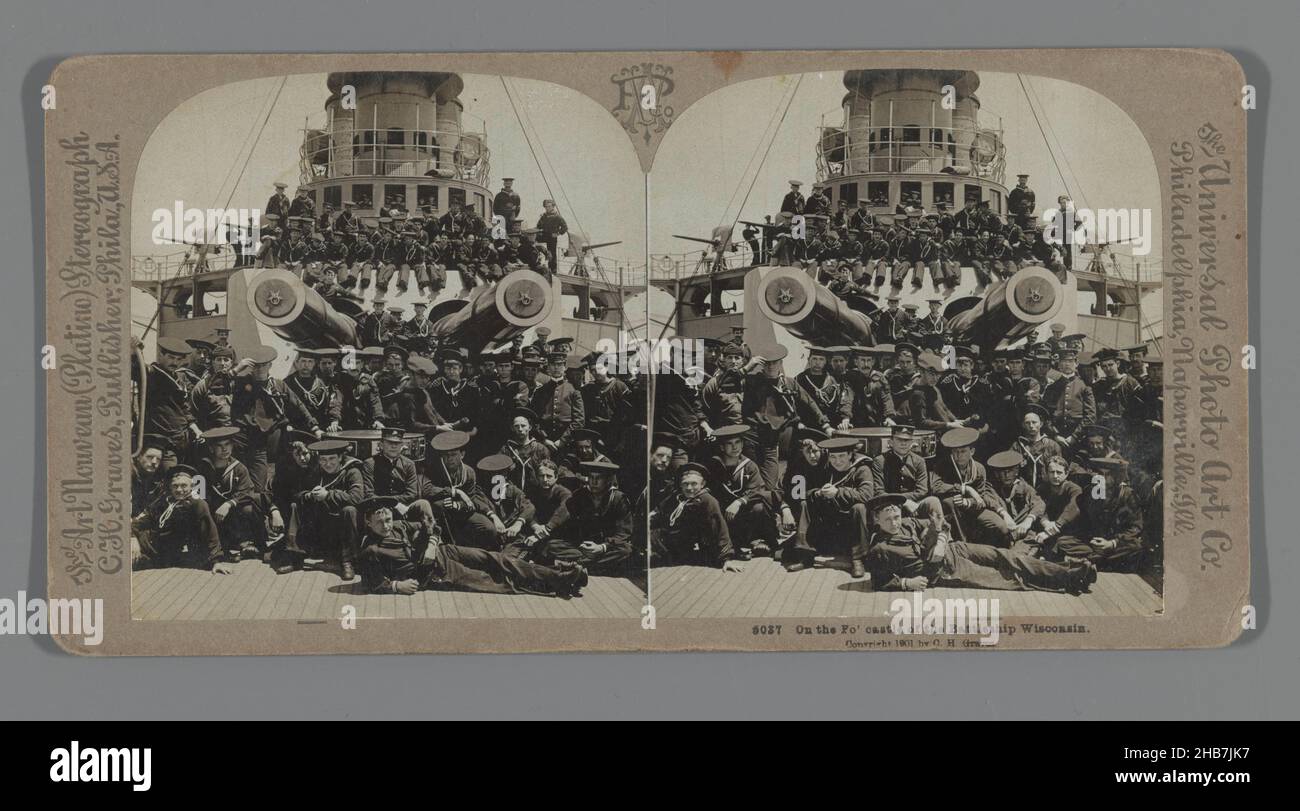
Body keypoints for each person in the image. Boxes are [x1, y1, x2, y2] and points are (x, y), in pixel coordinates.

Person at [356, 497, 588, 598]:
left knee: (498, 560)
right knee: (496, 582)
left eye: (387, 519)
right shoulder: (371, 551)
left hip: (445, 552)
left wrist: (432, 544)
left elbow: (431, 526)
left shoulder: (397, 526)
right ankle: (560, 580)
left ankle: (562, 574)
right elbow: (372, 582)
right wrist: (397, 586)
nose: (387, 525)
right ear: (368, 522)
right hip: (436, 574)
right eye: (380, 522)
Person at [864, 493, 1096, 594]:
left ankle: (1071, 571)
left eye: (896, 516)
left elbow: (939, 524)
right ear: (876, 520)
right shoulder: (879, 549)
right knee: (1008, 580)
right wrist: (907, 583)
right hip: (945, 571)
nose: (895, 522)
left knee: (1008, 557)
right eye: (888, 519)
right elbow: (878, 581)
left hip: (956, 550)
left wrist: (942, 539)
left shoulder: (907, 523)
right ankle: (1069, 581)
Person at [277, 439, 365, 579]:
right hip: (321, 527)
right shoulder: (316, 472)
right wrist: (309, 495)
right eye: (323, 459)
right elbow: (298, 494)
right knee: (295, 506)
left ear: (341, 457)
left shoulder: (352, 471)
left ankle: (348, 561)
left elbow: (357, 498)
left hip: (342, 529)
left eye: (332, 459)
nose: (327, 464)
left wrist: (328, 495)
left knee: (350, 510)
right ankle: (296, 556)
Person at [533, 460, 633, 576]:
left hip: (606, 546)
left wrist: (602, 547)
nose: (594, 482)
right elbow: (566, 513)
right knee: (551, 545)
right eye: (591, 477)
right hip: (583, 546)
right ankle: (590, 567)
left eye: (598, 478)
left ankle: (575, 565)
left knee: (626, 551)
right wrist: (548, 529)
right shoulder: (580, 494)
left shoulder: (618, 499)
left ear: (607, 480)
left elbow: (624, 532)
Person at [131, 465, 234, 574]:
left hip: (161, 555)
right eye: (175, 486)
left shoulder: (197, 504)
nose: (179, 490)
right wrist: (132, 539)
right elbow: (138, 523)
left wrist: (216, 561)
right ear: (170, 487)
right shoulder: (164, 501)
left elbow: (209, 532)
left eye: (184, 485)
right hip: (142, 544)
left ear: (192, 486)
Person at [1049, 457, 1145, 571]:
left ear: (1116, 477)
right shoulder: (1090, 492)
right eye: (1097, 474)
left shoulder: (1128, 495)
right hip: (1092, 544)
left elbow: (1136, 527)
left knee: (1136, 548)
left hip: (1115, 543)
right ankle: (1096, 562)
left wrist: (1112, 543)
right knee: (1062, 543)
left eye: (1106, 475)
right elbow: (1082, 522)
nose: (1099, 478)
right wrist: (1092, 539)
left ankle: (1086, 562)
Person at [650, 463, 742, 571]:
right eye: (685, 484)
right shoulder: (677, 497)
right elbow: (658, 513)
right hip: (669, 541)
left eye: (694, 484)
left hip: (689, 547)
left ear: (702, 484)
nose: (689, 488)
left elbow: (719, 527)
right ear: (680, 484)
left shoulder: (707, 501)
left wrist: (726, 559)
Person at [195, 426, 263, 560]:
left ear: (232, 446)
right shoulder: (202, 468)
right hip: (211, 514)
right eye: (219, 446)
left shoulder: (239, 468)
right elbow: (197, 495)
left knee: (250, 507)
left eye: (227, 444)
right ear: (211, 449)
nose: (224, 449)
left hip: (232, 513)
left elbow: (247, 491)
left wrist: (229, 504)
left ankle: (247, 542)